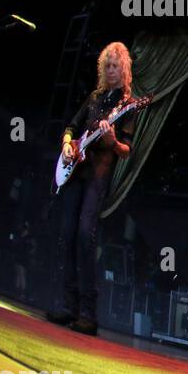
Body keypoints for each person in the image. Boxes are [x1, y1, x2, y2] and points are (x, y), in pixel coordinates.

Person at [48, 42, 138, 335]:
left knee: (86, 234)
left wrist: (112, 142)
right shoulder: (94, 97)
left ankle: (88, 312)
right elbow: (71, 127)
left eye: (115, 66)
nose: (111, 71)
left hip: (98, 175)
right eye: (107, 66)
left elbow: (126, 150)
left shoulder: (127, 105)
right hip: (76, 172)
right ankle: (66, 305)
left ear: (123, 69)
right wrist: (66, 146)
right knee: (67, 233)